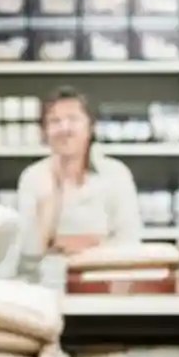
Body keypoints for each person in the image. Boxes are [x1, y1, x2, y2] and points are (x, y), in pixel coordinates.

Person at [17, 86, 142, 259]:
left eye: (73, 119)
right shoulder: (33, 177)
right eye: (55, 121)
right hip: (48, 280)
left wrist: (60, 245)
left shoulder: (116, 174)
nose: (64, 128)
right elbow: (28, 251)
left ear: (90, 127)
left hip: (104, 277)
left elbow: (130, 241)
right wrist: (50, 200)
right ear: (44, 132)